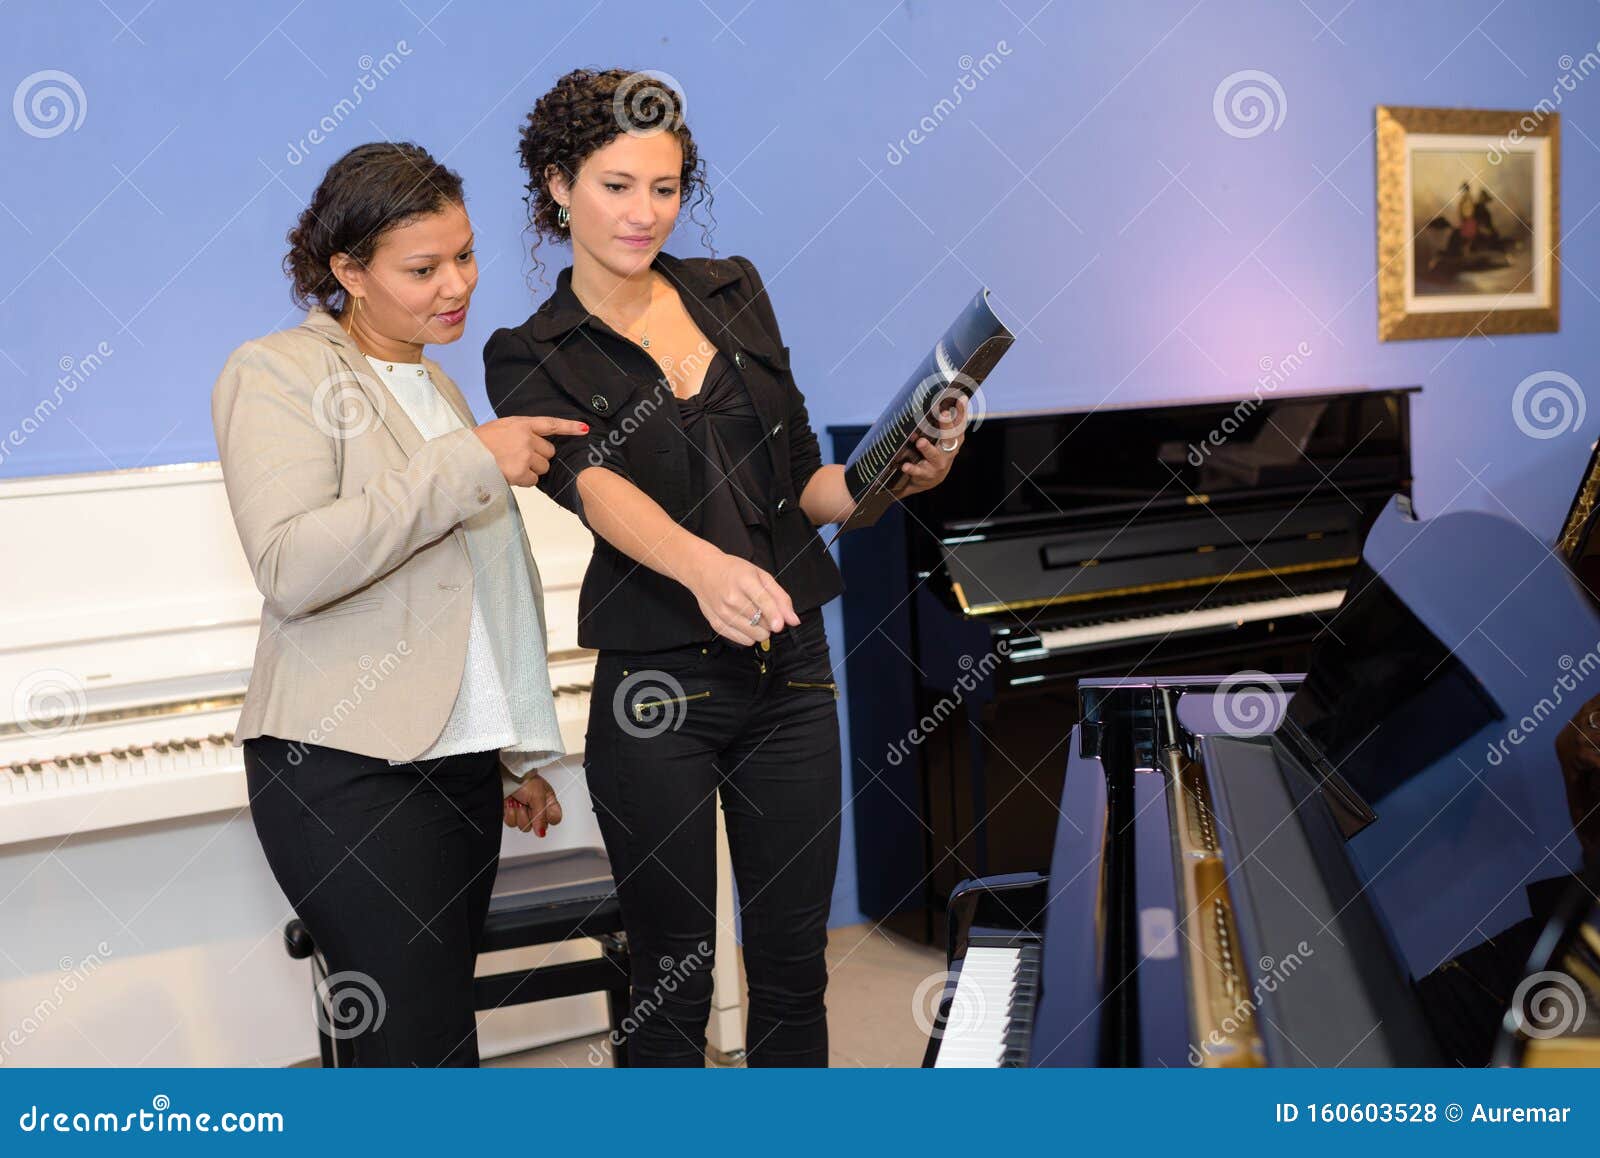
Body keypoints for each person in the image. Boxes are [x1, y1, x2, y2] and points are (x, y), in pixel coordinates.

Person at [483, 69, 967, 1066]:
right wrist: (702, 566)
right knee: (673, 975)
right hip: (655, 688)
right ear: (556, 186)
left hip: (787, 675)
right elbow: (594, 488)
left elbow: (805, 488)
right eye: (615, 185)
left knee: (794, 967)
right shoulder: (528, 351)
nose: (643, 212)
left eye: (663, 188)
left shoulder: (732, 289)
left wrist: (901, 474)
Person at [211, 141, 585, 1066]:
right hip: (342, 769)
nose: (455, 284)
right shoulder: (279, 372)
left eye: (464, 255)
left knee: (427, 1046)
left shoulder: (437, 384)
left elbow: (463, 588)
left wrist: (506, 758)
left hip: (448, 772)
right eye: (422, 268)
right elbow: (293, 563)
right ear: (349, 272)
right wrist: (468, 461)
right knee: (420, 1056)